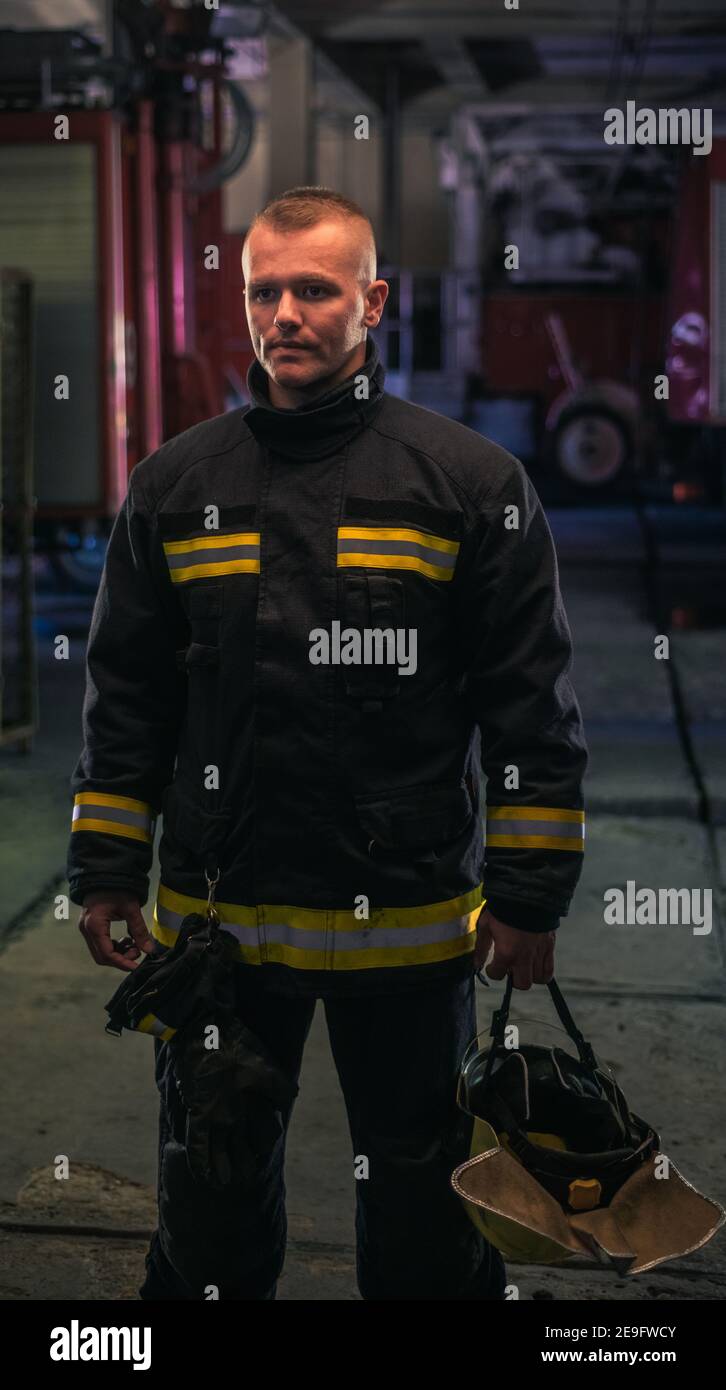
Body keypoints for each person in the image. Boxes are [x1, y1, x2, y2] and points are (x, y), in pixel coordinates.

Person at [68, 186, 588, 1300]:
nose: (287, 313)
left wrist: (531, 893)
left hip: (403, 925)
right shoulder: (176, 487)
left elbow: (527, 702)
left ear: (374, 302)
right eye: (265, 290)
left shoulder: (468, 484)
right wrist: (107, 865)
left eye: (315, 288)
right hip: (220, 931)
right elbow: (129, 696)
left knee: (425, 1212)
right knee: (209, 1194)